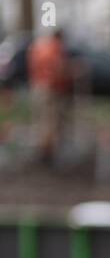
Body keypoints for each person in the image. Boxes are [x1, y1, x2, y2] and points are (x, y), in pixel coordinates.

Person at [27, 28, 70, 164]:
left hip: (38, 86)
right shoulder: (55, 48)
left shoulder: (40, 47)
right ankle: (47, 155)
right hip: (50, 89)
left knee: (41, 121)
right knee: (50, 122)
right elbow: (58, 68)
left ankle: (42, 151)